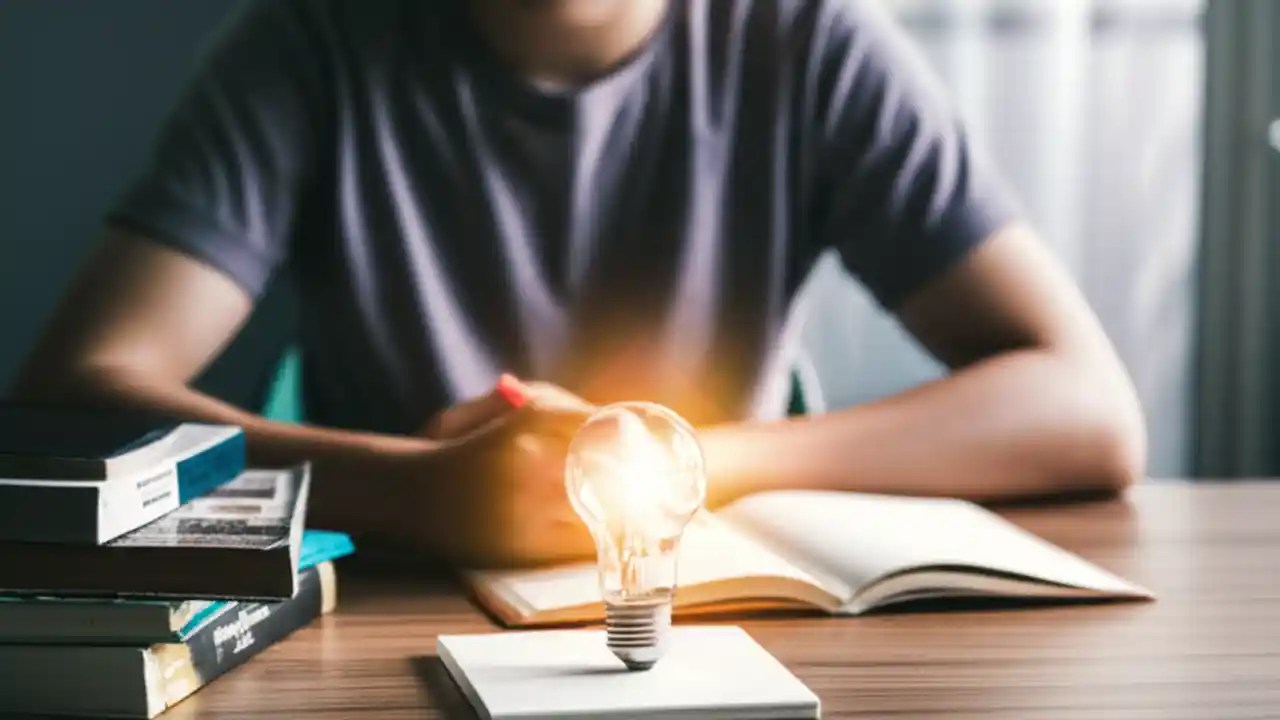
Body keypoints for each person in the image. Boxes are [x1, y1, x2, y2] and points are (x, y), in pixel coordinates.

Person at [13, 0, 1145, 566]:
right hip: (376, 621)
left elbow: (1085, 412)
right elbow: (68, 406)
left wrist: (669, 465)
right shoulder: (311, 48)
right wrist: (414, 492)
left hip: (716, 619)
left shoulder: (806, 43)